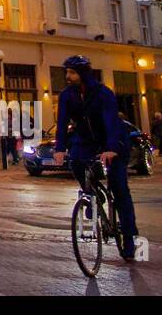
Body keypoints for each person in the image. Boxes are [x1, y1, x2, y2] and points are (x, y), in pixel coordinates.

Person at [54, 55, 139, 261]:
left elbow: (110, 121)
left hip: (113, 141)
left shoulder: (103, 94)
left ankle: (128, 238)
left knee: (119, 189)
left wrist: (111, 148)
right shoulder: (67, 95)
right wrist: (60, 148)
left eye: (72, 72)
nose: (68, 76)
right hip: (86, 141)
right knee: (75, 161)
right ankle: (90, 192)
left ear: (83, 73)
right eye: (66, 72)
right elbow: (62, 120)